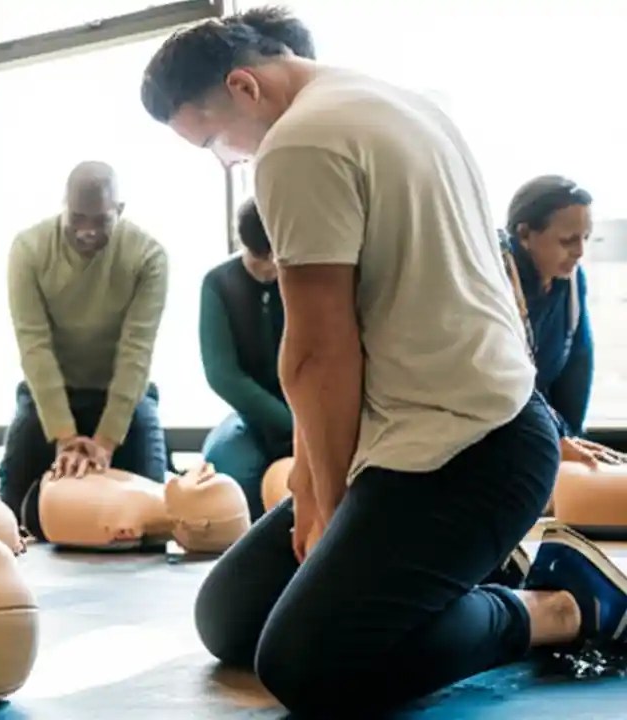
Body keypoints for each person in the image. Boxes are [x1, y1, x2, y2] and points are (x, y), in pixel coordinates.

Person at [141, 6, 627, 716]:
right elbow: (332, 355)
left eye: (213, 139)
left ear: (245, 87)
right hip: (414, 448)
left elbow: (317, 351)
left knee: (307, 664)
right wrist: (308, 492)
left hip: (471, 457)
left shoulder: (298, 145)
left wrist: (328, 504)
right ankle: (465, 569)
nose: (230, 158)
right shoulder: (390, 100)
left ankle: (560, 605)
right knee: (232, 618)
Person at [0, 160, 169, 541]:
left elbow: (135, 352)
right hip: (51, 395)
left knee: (152, 509)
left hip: (122, 396)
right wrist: (63, 434)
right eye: (76, 217)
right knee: (13, 514)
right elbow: (34, 345)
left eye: (100, 220)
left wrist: (106, 441)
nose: (87, 231)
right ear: (63, 204)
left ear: (120, 211)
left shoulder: (148, 257)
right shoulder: (29, 249)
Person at [500, 176, 623, 468]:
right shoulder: (496, 280)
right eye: (568, 240)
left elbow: (577, 365)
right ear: (525, 234)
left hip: (543, 432)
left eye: (586, 238)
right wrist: (551, 441)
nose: (580, 251)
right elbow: (499, 383)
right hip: (503, 435)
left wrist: (570, 439)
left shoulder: (568, 281)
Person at [199, 198, 290, 520]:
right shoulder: (218, 283)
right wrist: (290, 424)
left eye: (277, 260)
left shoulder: (305, 279)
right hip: (254, 416)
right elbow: (223, 375)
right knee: (226, 466)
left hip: (314, 410)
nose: (270, 270)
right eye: (258, 259)